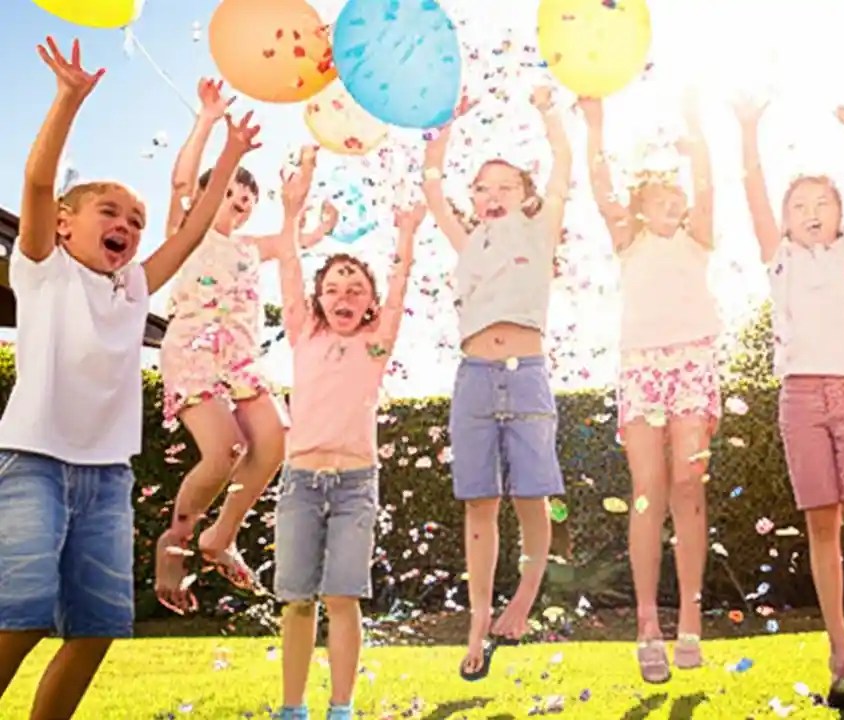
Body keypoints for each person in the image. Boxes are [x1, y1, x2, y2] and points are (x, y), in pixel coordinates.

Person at [0, 37, 259, 720]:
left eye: (136, 221)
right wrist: (67, 101)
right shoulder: (42, 268)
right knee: (19, 621)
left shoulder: (134, 289)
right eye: (109, 213)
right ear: (64, 227)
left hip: (108, 476)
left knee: (95, 631)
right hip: (33, 463)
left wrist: (229, 154)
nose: (127, 225)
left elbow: (195, 229)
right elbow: (35, 185)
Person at [733, 97, 844, 702]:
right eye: (798, 205)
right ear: (783, 220)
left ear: (838, 214)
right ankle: (838, 642)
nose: (811, 212)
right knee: (822, 524)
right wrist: (749, 130)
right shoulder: (778, 259)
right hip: (800, 397)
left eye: (822, 203)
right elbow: (751, 190)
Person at [153, 81, 337, 613]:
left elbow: (294, 238)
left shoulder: (250, 248)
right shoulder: (187, 229)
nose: (238, 202)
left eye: (246, 199)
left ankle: (220, 536)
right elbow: (182, 178)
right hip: (193, 348)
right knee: (225, 451)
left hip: (240, 357)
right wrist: (208, 120)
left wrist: (307, 190)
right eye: (231, 191)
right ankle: (176, 544)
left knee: (276, 438)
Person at [421, 87, 571, 680]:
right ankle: (479, 620)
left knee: (532, 495)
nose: (490, 196)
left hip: (527, 373)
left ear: (525, 196)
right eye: (482, 188)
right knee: (479, 501)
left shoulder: (540, 231)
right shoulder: (468, 241)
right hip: (475, 376)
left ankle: (526, 593)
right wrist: (444, 126)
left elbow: (563, 169)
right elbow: (433, 187)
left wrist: (547, 112)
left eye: (504, 186)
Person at [272, 150, 425, 720]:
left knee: (342, 598)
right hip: (300, 483)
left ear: (369, 304)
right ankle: (292, 709)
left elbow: (401, 284)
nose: (345, 295)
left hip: (356, 484)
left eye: (357, 288)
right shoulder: (303, 335)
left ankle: (341, 709)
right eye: (335, 286)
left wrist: (406, 235)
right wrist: (291, 213)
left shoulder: (376, 345)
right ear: (318, 299)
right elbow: (288, 262)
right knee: (295, 601)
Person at [578, 93, 721, 683]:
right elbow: (600, 186)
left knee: (688, 484)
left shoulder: (697, 239)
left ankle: (690, 617)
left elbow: (710, 188)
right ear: (642, 207)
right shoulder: (629, 241)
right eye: (661, 199)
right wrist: (595, 124)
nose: (674, 205)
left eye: (677, 198)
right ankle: (646, 624)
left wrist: (694, 126)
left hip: (693, 359)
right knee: (648, 489)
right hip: (640, 364)